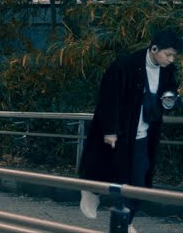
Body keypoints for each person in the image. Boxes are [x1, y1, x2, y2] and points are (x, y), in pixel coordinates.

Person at [77, 31, 180, 226]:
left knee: (140, 185)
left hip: (144, 134)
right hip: (122, 130)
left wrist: (170, 99)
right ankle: (91, 191)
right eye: (168, 54)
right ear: (154, 48)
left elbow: (171, 90)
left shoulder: (167, 69)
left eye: (173, 55)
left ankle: (125, 223)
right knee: (110, 170)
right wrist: (110, 129)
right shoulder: (125, 65)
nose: (171, 59)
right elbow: (109, 98)